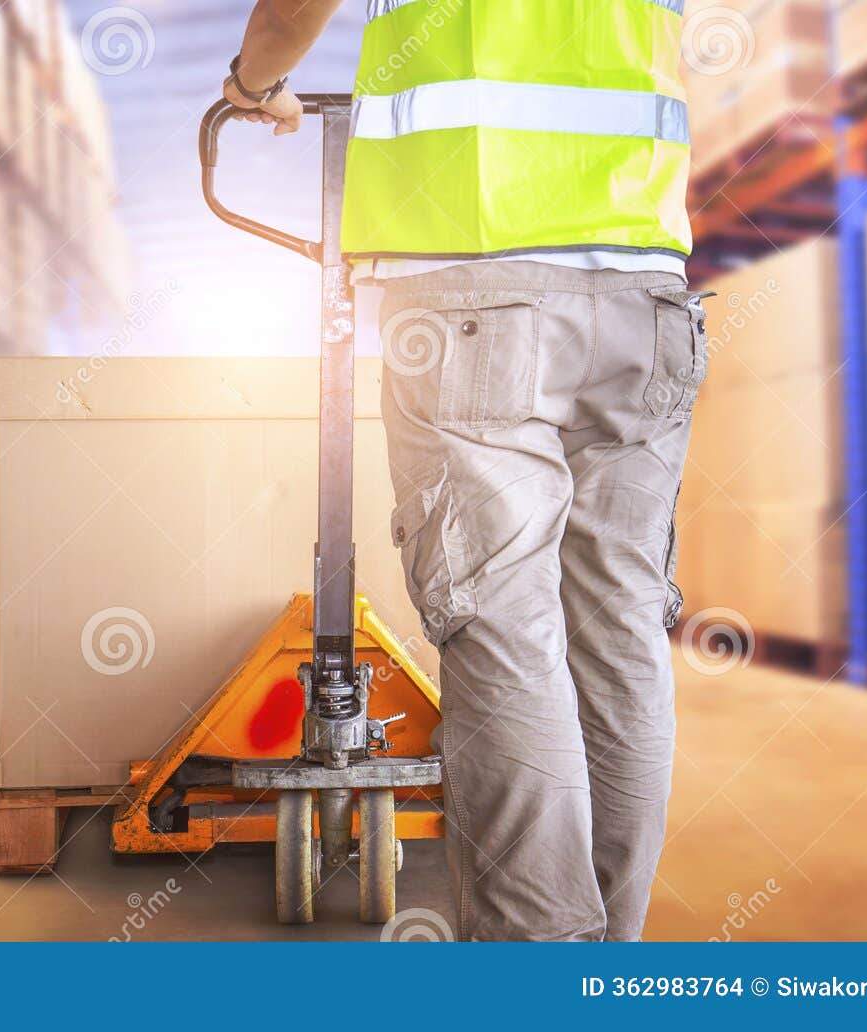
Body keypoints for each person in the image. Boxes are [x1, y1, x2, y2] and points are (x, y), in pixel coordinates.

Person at [223, 0, 707, 941]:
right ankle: (610, 957)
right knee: (621, 630)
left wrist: (252, 88)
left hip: (476, 285)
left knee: (505, 635)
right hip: (645, 292)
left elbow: (291, 8)